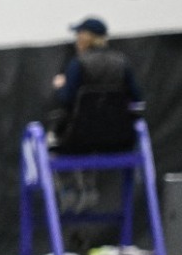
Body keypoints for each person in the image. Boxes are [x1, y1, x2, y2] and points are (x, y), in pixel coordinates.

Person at [48, 16, 144, 154]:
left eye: (78, 35)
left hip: (78, 137)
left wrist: (61, 86)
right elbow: (137, 97)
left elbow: (66, 99)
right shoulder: (122, 62)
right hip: (120, 136)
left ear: (84, 38)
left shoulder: (78, 64)